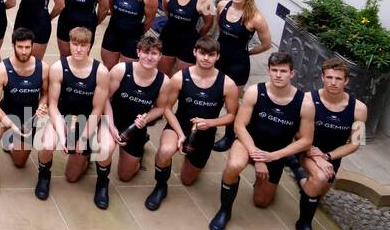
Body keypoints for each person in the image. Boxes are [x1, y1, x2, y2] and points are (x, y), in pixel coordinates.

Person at [209, 52, 315, 230]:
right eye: (274, 70)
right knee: (234, 166)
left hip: (276, 152)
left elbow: (306, 140)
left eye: (283, 71)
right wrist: (258, 158)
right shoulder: (255, 91)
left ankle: (274, 173)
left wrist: (273, 156)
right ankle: (224, 210)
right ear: (269, 71)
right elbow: (239, 126)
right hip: (248, 142)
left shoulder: (304, 103)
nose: (278, 75)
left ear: (292, 74)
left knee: (262, 202)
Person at [144, 36, 239, 211]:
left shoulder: (228, 84)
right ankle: (160, 186)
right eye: (202, 53)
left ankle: (195, 159)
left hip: (206, 131)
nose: (206, 58)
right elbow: (166, 108)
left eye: (211, 55)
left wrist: (211, 123)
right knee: (165, 152)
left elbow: (232, 115)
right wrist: (180, 134)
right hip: (179, 125)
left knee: (187, 180)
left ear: (217, 56)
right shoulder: (180, 77)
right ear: (195, 52)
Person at [94, 32, 176, 209]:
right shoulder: (121, 70)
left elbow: (161, 108)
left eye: (154, 53)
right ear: (138, 52)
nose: (149, 57)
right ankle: (102, 183)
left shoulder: (164, 81)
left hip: (136, 128)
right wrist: (110, 125)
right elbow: (105, 98)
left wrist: (146, 119)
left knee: (125, 176)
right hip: (113, 120)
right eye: (146, 52)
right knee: (104, 149)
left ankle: (139, 152)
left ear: (160, 56)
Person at [295, 59, 367, 230]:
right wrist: (313, 154)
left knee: (318, 190)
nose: (333, 82)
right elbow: (296, 132)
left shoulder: (359, 108)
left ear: (346, 81)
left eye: (338, 78)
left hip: (330, 156)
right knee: (318, 178)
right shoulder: (308, 99)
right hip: (307, 148)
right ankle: (303, 224)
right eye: (329, 77)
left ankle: (300, 175)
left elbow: (355, 143)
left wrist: (327, 156)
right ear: (322, 77)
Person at [37, 26, 110, 200]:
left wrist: (84, 137)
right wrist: (62, 135)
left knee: (72, 177)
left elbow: (98, 109)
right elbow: (53, 105)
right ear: (69, 44)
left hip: (87, 120)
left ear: (89, 46)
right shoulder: (58, 68)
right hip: (62, 117)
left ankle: (98, 176)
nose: (78, 49)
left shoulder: (101, 72)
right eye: (75, 44)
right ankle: (44, 175)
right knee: (47, 144)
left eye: (83, 45)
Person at [0, 27, 47, 196]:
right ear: (13, 45)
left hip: (28, 116)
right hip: (6, 111)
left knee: (19, 164)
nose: (23, 51)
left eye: (27, 47)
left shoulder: (43, 68)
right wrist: (8, 123)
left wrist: (41, 106)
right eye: (20, 47)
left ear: (32, 47)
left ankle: (10, 144)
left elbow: (46, 94)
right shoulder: (3, 69)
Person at [211, 0, 274, 152]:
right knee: (214, 94)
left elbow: (266, 44)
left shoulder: (255, 17)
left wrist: (248, 51)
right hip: (218, 59)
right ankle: (209, 126)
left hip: (238, 64)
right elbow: (220, 27)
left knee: (231, 102)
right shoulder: (222, 5)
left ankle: (230, 135)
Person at [99, 0, 158, 69]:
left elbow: (149, 20)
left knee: (127, 72)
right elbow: (111, 7)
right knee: (108, 68)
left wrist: (136, 32)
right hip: (112, 33)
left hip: (132, 38)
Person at [156, 0, 214, 76]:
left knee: (184, 76)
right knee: (162, 73)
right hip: (168, 36)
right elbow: (166, 9)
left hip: (189, 41)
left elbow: (209, 23)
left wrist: (197, 37)